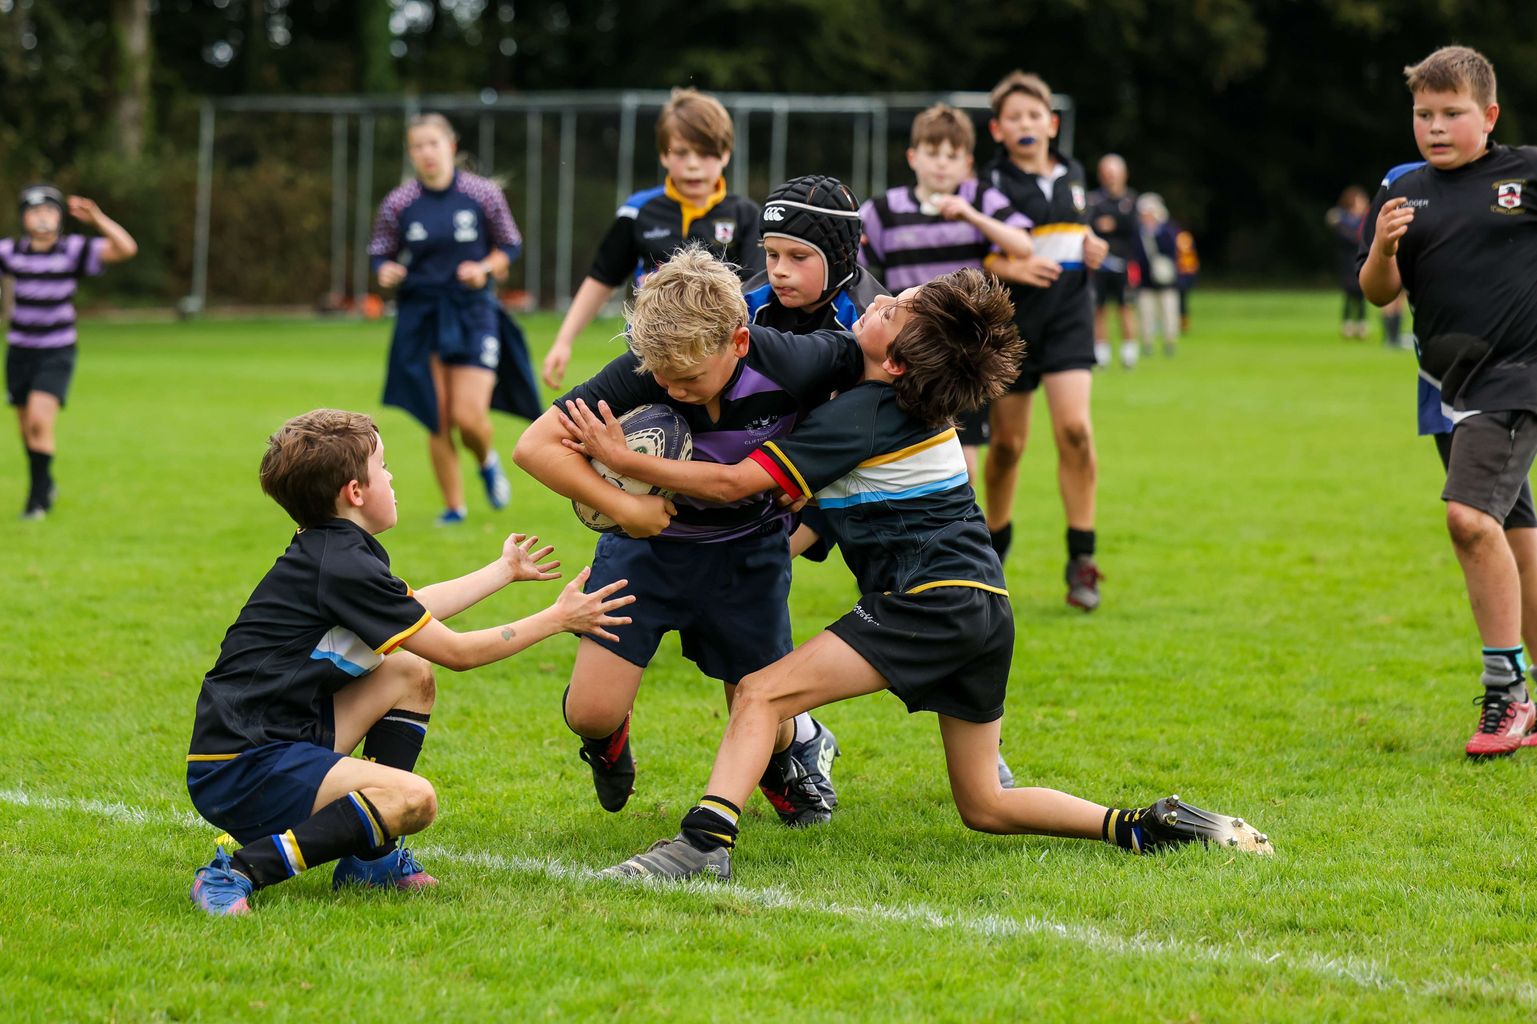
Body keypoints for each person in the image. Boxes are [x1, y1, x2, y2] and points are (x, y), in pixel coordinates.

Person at [556, 270, 1272, 881]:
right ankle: (1147, 825)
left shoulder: (865, 412)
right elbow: (815, 513)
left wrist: (623, 462)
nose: (879, 299)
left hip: (929, 599)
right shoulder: (899, 407)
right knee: (984, 805)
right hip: (983, 607)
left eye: (893, 310)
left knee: (760, 693)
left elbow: (734, 483)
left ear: (897, 363)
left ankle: (703, 845)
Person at [185, 408, 634, 916]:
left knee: (409, 673)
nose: (392, 477)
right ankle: (237, 871)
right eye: (383, 467)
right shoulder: (342, 564)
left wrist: (503, 571)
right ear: (355, 492)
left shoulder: (335, 552)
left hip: (278, 740)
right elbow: (459, 653)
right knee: (414, 800)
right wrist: (556, 619)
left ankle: (370, 862)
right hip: (242, 768)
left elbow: (414, 609)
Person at [513, 245, 862, 827]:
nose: (673, 390)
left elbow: (873, 378)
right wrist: (623, 507)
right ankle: (608, 744)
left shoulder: (798, 360)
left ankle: (787, 756)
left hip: (747, 552)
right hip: (645, 551)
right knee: (590, 711)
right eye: (662, 378)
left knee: (762, 711)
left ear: (739, 342)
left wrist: (816, 476)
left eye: (690, 378)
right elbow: (533, 446)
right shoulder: (643, 367)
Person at [1357, 45, 1537, 757]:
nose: (1434, 127)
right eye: (1422, 114)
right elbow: (1378, 291)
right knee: (1514, 537)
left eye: (1451, 113)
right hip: (1445, 387)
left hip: (1516, 378)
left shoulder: (1524, 174)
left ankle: (1506, 693)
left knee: (1467, 519)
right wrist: (1381, 248)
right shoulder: (1401, 188)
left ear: (1488, 116)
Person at [740, 173, 887, 804]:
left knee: (915, 603)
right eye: (771, 253)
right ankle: (798, 736)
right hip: (784, 481)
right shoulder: (748, 305)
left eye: (798, 256)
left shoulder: (875, 318)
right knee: (751, 574)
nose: (778, 270)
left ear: (840, 255)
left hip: (867, 486)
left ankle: (987, 752)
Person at [368, 112, 537, 527]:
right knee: (437, 417)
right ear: (410, 153)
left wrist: (484, 268)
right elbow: (380, 252)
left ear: (451, 146)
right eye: (417, 146)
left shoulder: (482, 194)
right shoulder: (399, 202)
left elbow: (509, 245)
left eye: (433, 143)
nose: (426, 152)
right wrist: (385, 270)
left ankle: (487, 460)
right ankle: (454, 508)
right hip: (423, 314)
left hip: (472, 312)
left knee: (468, 417)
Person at [982, 70, 1109, 611]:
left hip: (1069, 318)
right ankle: (993, 550)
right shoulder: (988, 183)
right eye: (1014, 117)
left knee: (1076, 431)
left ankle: (1082, 560)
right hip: (1010, 323)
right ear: (997, 130)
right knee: (1008, 446)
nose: (1025, 124)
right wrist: (1008, 266)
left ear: (1052, 123)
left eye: (1034, 115)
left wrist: (1094, 243)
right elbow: (974, 248)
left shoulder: (1073, 175)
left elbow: (1076, 235)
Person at [859, 103, 1036, 486]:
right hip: (903, 352)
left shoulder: (980, 199)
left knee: (963, 466)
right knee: (895, 459)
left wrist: (971, 216)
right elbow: (853, 265)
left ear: (967, 163)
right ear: (913, 157)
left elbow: (1023, 245)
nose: (941, 163)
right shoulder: (883, 210)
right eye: (932, 152)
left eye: (952, 156)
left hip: (956, 355)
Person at [540, 88, 763, 390]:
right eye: (681, 153)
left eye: (705, 153)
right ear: (663, 154)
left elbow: (754, 292)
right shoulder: (638, 212)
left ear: (725, 154)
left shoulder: (746, 215)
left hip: (714, 361)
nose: (693, 164)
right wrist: (563, 341)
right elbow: (602, 277)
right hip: (649, 353)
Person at [1, 185, 136, 520]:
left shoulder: (73, 250)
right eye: (34, 211)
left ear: (60, 217)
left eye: (49, 210)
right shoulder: (11, 251)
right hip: (19, 350)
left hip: (56, 350)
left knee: (38, 422)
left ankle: (36, 502)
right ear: (23, 218)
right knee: (26, 429)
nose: (42, 217)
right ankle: (46, 484)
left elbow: (126, 248)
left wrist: (97, 219)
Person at [1087, 154, 1141, 368]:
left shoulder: (1131, 200)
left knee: (1125, 307)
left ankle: (1129, 353)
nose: (1110, 177)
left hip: (1124, 264)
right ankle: (1102, 352)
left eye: (1113, 173)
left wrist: (1114, 223)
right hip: (1099, 264)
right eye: (1106, 173)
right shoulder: (1093, 200)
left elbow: (1134, 227)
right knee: (1099, 308)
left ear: (1123, 174)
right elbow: (1090, 224)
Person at [1132, 193, 1181, 357]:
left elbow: (1173, 252)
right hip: (1145, 282)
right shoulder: (1138, 233)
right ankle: (1147, 344)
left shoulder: (1167, 231)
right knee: (1146, 314)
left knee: (1168, 312)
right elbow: (1135, 256)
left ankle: (1169, 343)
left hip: (1166, 281)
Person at [1326, 186, 1371, 339]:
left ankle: (1361, 325)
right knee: (1349, 293)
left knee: (1362, 293)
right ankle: (1348, 325)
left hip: (1362, 259)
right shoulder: (1343, 220)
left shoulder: (1365, 219)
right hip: (1347, 261)